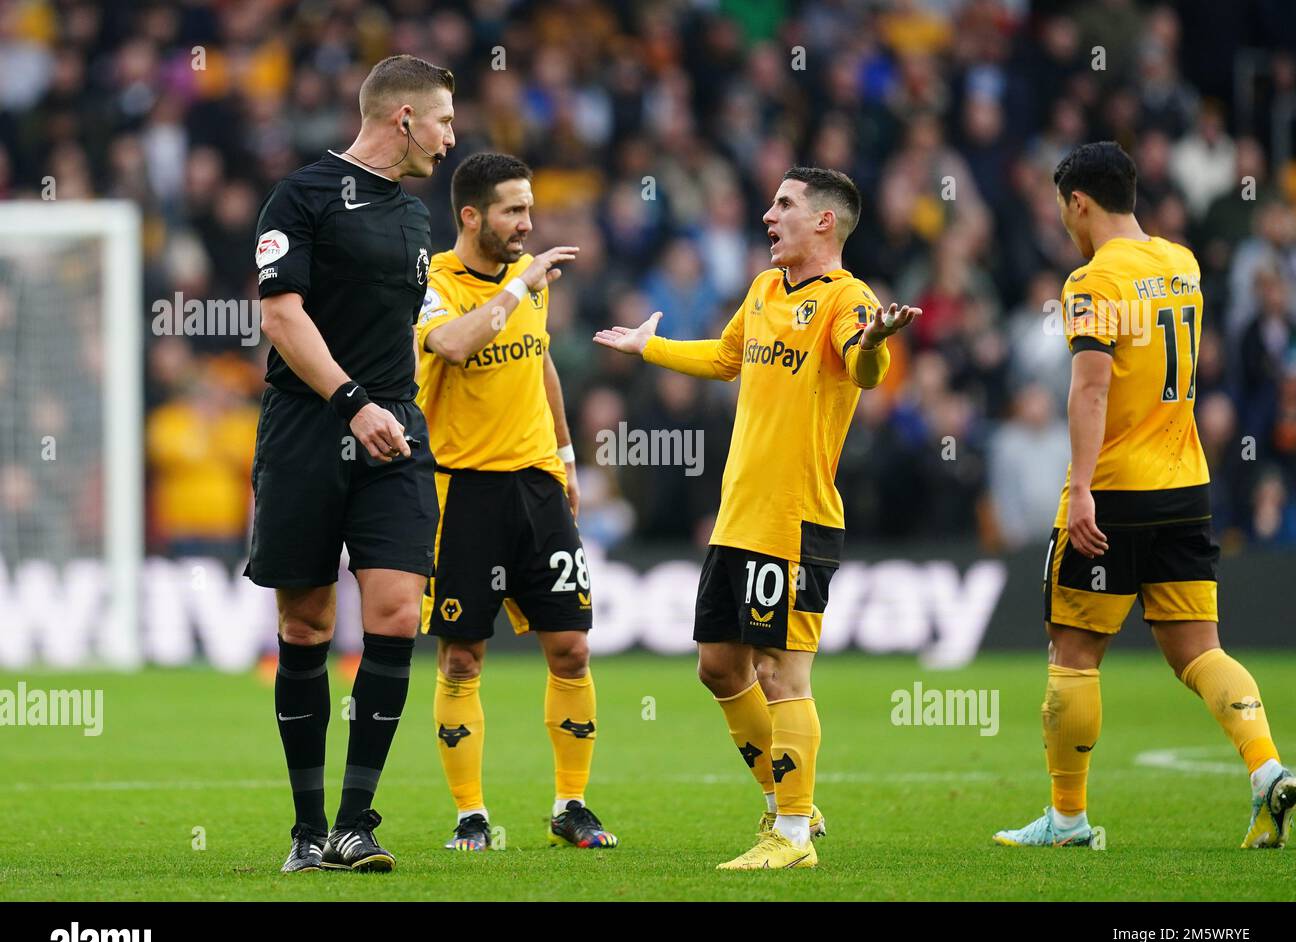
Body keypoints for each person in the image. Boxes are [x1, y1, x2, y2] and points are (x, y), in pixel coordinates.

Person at [594, 166, 920, 868]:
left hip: (796, 519)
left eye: (785, 205)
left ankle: (792, 832)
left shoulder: (848, 299)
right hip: (738, 517)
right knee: (718, 668)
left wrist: (873, 345)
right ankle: (788, 793)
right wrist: (647, 346)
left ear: (824, 222)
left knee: (782, 675)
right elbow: (723, 358)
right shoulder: (766, 289)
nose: (769, 216)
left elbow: (863, 370)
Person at [995, 141, 1296, 850]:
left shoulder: (1092, 281)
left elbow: (1093, 387)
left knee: (1072, 654)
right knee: (1199, 650)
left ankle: (1067, 820)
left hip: (1116, 490)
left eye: (1062, 208)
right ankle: (1266, 768)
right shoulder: (1181, 264)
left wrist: (1079, 492)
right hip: (1187, 485)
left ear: (1079, 202)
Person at [248, 55, 456, 873]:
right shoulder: (300, 195)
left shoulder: (414, 220)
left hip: (396, 432)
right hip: (309, 427)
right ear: (402, 117)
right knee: (304, 626)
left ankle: (353, 823)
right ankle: (305, 833)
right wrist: (350, 403)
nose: (450, 137)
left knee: (399, 614)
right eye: (442, 119)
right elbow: (280, 315)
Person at [414, 151, 617, 851]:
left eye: (530, 210)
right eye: (513, 211)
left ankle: (572, 805)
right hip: (462, 488)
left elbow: (540, 360)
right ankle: (471, 814)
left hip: (536, 485)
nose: (528, 225)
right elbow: (456, 346)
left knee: (571, 648)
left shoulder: (530, 284)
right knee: (463, 658)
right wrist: (515, 290)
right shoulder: (434, 281)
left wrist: (565, 456)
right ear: (472, 216)